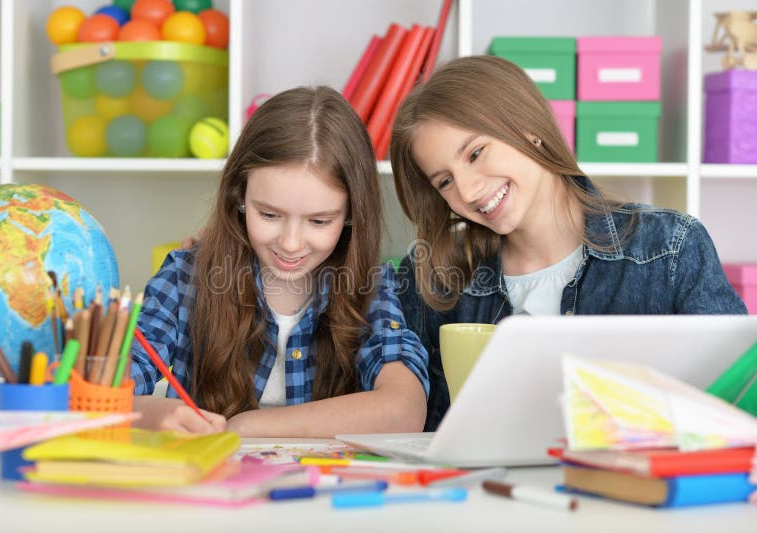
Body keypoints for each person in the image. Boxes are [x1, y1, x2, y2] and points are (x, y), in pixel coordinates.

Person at [389, 55, 747, 431]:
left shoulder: (671, 249)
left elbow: (737, 403)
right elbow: (421, 433)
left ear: (528, 128)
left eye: (476, 153)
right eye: (444, 181)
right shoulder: (434, 276)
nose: (468, 190)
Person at [131, 86, 429, 436]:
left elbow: (405, 409)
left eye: (319, 221)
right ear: (239, 195)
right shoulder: (185, 277)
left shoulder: (371, 286)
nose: (290, 244)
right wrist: (151, 414)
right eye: (269, 214)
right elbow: (100, 389)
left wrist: (248, 426)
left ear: (351, 215)